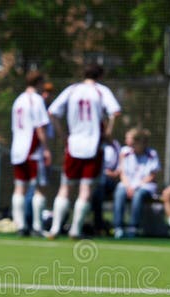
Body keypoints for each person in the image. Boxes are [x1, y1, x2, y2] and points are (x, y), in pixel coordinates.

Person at [46, 64, 121, 239]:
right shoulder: (101, 91)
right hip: (93, 146)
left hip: (73, 145)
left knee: (65, 188)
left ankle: (55, 229)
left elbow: (52, 112)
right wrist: (109, 132)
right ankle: (75, 230)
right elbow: (115, 112)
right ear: (100, 76)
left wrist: (63, 134)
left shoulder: (72, 90)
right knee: (85, 189)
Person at [10, 71, 51, 235]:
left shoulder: (18, 100)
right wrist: (46, 149)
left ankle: (20, 225)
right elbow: (40, 126)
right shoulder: (37, 100)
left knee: (19, 187)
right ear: (39, 82)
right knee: (40, 188)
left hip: (17, 148)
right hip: (32, 150)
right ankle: (37, 226)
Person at [112, 128, 161, 239]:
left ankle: (133, 227)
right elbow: (122, 173)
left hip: (145, 186)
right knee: (119, 193)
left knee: (138, 195)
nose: (126, 142)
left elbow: (152, 175)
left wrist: (136, 186)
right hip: (127, 185)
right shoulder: (124, 152)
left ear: (139, 142)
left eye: (129, 139)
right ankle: (117, 227)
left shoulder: (152, 154)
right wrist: (129, 186)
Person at [91, 137, 122, 235]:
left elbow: (120, 166)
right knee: (96, 193)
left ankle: (116, 227)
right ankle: (97, 225)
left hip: (110, 181)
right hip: (95, 179)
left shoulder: (116, 145)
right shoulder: (93, 141)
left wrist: (115, 173)